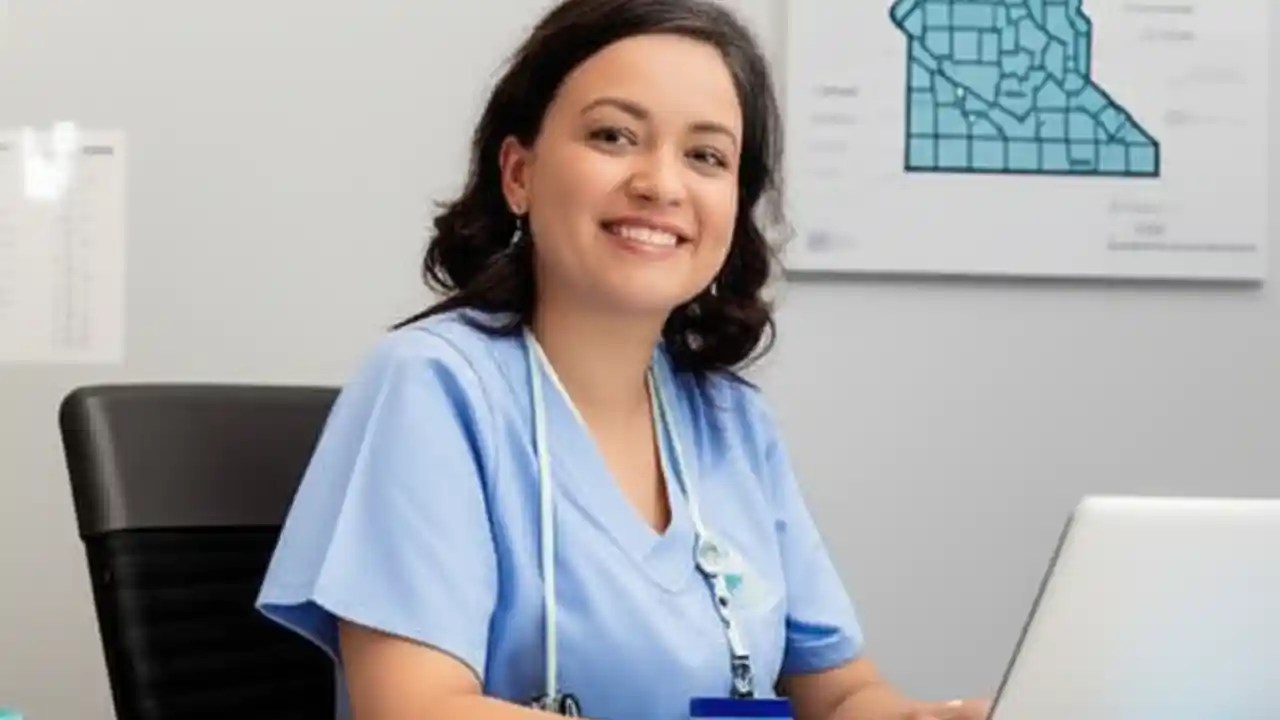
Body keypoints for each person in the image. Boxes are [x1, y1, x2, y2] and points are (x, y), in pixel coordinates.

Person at [255, 0, 990, 718]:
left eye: (706, 156)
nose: (660, 184)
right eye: (613, 136)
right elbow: (413, 708)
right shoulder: (436, 387)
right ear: (519, 174)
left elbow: (838, 691)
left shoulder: (731, 422)